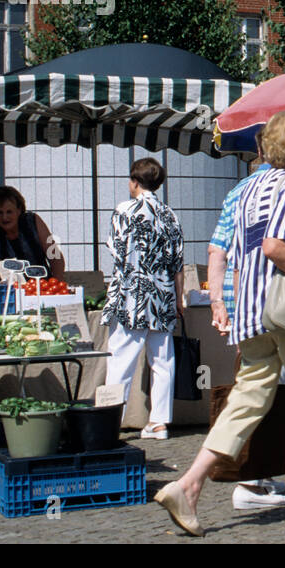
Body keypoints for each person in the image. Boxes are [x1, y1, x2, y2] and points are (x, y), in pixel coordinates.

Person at [155, 110, 285, 536]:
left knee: (246, 400)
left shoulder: (247, 187)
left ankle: (189, 484)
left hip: (250, 311)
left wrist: (222, 302)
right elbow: (275, 247)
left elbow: (235, 250)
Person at [208, 135, 285, 511]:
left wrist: (218, 303)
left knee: (259, 389)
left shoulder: (240, 189)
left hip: (247, 304)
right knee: (262, 392)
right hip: (268, 304)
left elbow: (217, 248)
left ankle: (258, 474)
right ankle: (250, 479)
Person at [102, 158, 186, 440]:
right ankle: (160, 422)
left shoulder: (123, 210)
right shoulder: (170, 215)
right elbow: (177, 262)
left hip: (131, 295)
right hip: (162, 294)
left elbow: (115, 251)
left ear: (134, 181)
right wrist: (179, 299)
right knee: (163, 361)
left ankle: (110, 422)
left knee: (120, 361)